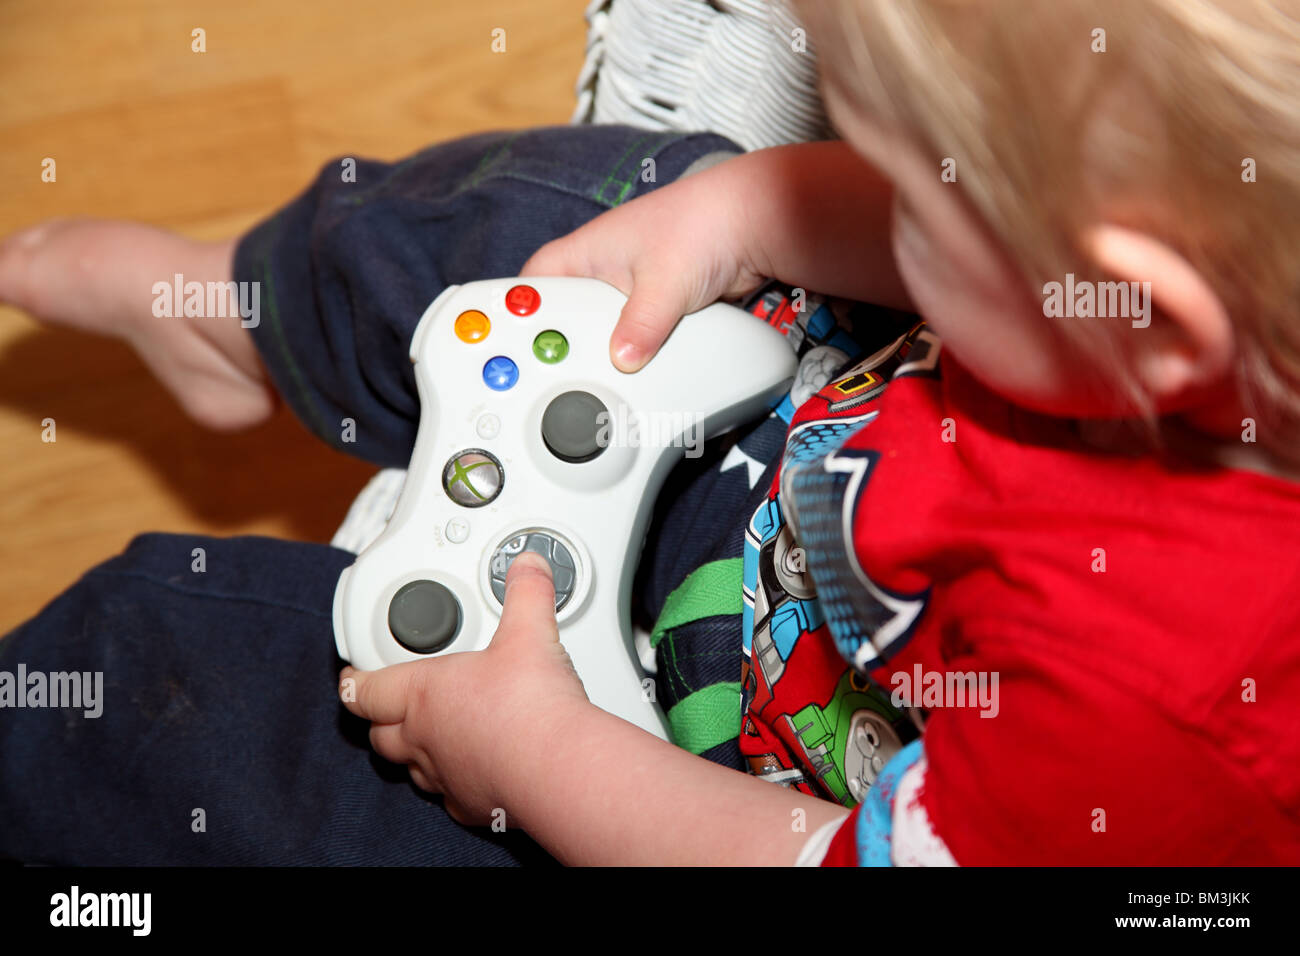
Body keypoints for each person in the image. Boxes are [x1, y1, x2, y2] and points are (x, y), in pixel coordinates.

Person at [3, 0, 1298, 864]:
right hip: (834, 415)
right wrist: (738, 217)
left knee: (173, 690)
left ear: (1149, 318)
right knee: (588, 216)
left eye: (907, 194)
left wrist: (534, 754)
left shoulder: (1160, 731)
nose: (861, 181)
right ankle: (242, 314)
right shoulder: (1132, 298)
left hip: (723, 761)